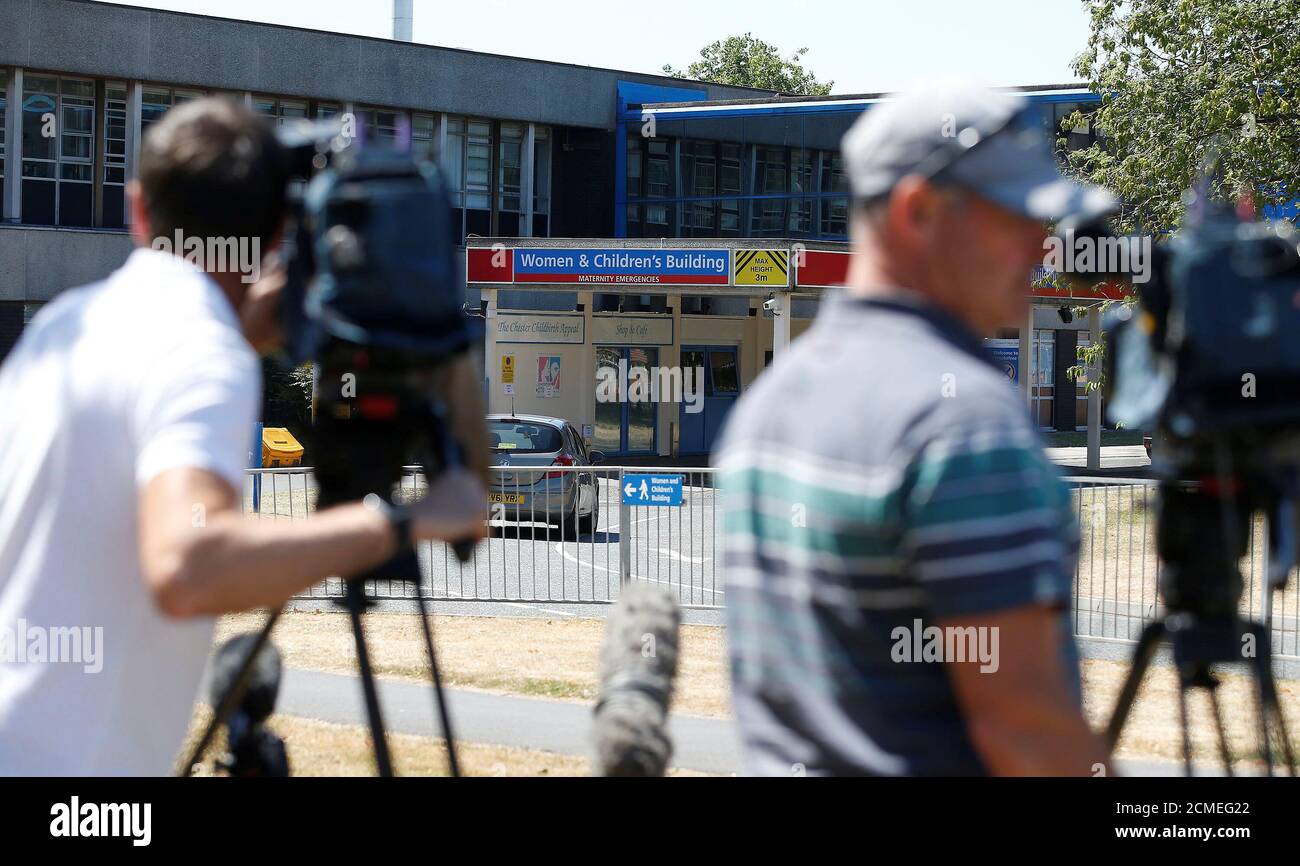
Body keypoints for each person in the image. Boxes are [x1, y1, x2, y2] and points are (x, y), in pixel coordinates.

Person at [0, 97, 486, 775]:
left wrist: (234, 333)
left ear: (138, 210)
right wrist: (407, 521)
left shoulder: (63, 325)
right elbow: (188, 564)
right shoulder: (200, 352)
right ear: (279, 232)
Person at [716, 80, 1116, 776]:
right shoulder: (964, 423)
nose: (1041, 246)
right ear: (918, 211)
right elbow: (1028, 733)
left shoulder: (766, 406)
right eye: (1016, 216)